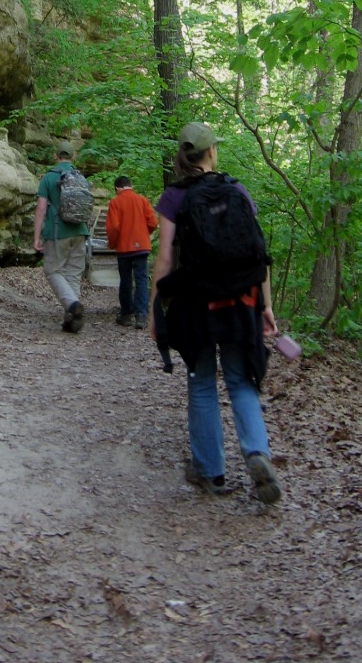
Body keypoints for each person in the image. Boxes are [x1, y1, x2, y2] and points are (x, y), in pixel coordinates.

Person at [150, 122, 282, 504]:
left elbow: (165, 258)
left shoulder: (173, 198)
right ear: (211, 153)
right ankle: (257, 453)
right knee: (242, 381)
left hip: (197, 307)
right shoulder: (236, 190)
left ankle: (211, 472)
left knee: (203, 382)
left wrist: (155, 311)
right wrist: (266, 305)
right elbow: (259, 255)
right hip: (241, 303)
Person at [33, 141, 89, 333]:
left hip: (58, 232)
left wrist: (36, 237)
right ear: (73, 157)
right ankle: (72, 320)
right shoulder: (80, 177)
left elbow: (41, 208)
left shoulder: (48, 178)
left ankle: (73, 305)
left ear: (55, 156)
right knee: (73, 273)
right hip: (80, 231)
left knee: (52, 270)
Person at [105, 176, 158, 329]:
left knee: (126, 280)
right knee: (141, 279)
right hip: (142, 246)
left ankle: (126, 314)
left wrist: (113, 243)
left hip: (124, 247)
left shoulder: (115, 202)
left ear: (117, 188)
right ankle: (141, 315)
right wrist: (144, 233)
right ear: (131, 185)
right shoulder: (142, 200)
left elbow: (113, 227)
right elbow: (153, 222)